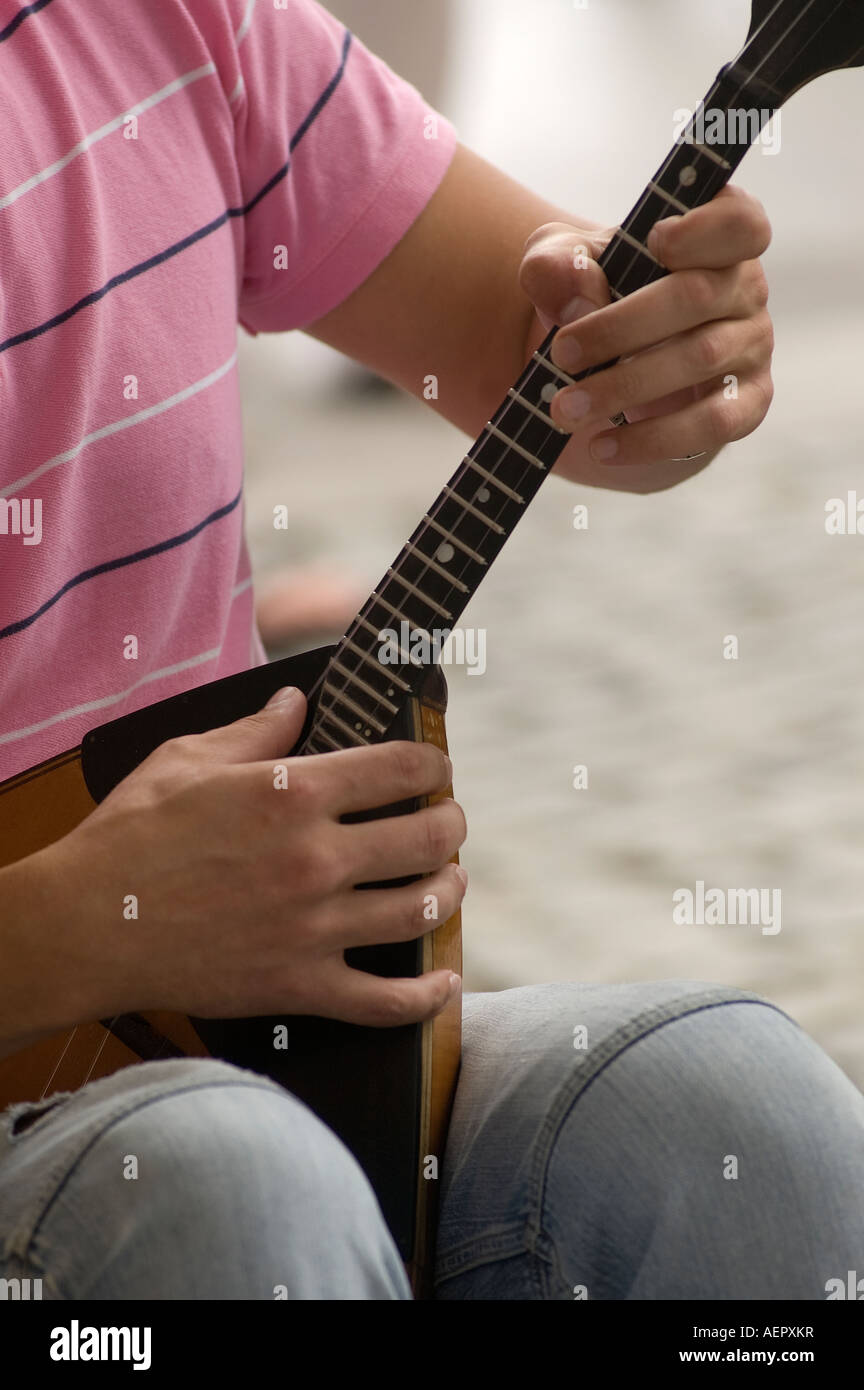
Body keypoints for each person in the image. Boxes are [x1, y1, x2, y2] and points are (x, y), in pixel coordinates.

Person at [0, 0, 860, 1301]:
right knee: (230, 1194)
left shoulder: (160, 18)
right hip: (156, 1130)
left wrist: (657, 360)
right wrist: (80, 924)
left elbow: (522, 342)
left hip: (244, 1058)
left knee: (733, 1112)